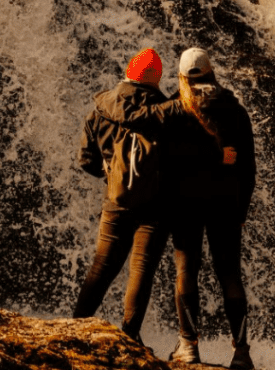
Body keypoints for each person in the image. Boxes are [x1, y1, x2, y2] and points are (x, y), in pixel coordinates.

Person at [72, 47, 178, 343]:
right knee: (142, 267)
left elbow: (85, 160)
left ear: (129, 73)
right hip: (156, 204)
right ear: (156, 80)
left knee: (102, 265)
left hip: (116, 200)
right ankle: (131, 334)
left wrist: (112, 176)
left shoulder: (101, 109)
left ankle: (77, 326)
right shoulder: (167, 112)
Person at [167, 47, 256, 370]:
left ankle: (189, 346)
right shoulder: (235, 110)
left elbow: (168, 159)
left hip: (185, 203)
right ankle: (242, 351)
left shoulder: (175, 109)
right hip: (226, 204)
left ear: (181, 77)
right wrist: (242, 210)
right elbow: (248, 168)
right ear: (211, 71)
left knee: (186, 270)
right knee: (230, 274)